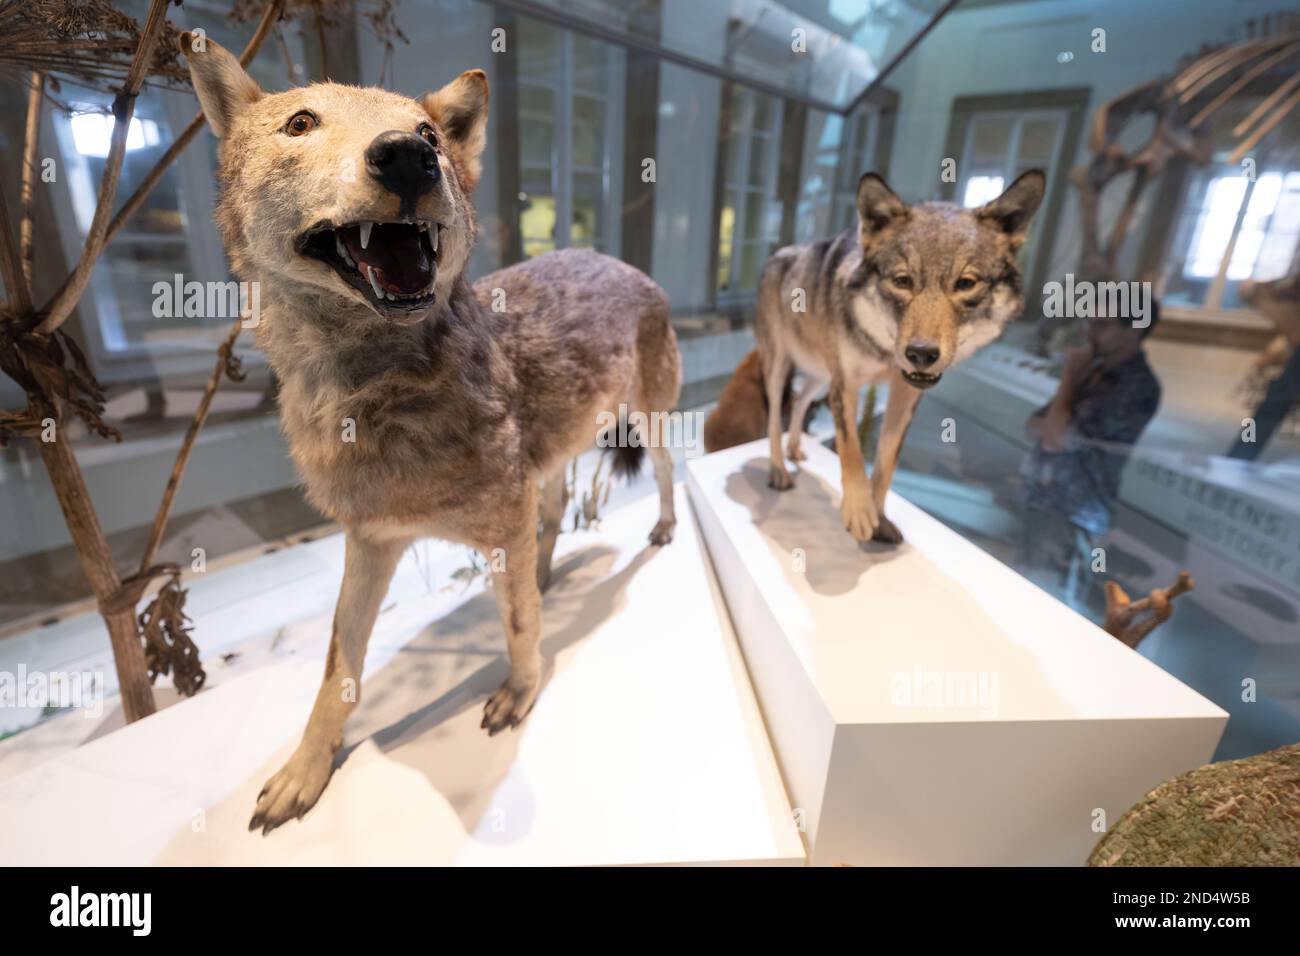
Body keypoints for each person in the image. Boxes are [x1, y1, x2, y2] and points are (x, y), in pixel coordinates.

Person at [1020, 300, 1162, 579]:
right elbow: (1033, 426)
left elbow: (1054, 439)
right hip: (1043, 501)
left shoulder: (1137, 386)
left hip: (1079, 514)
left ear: (1135, 329)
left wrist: (1069, 378)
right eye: (1089, 323)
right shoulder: (1092, 371)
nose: (1088, 333)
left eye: (1102, 325)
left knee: (1057, 602)